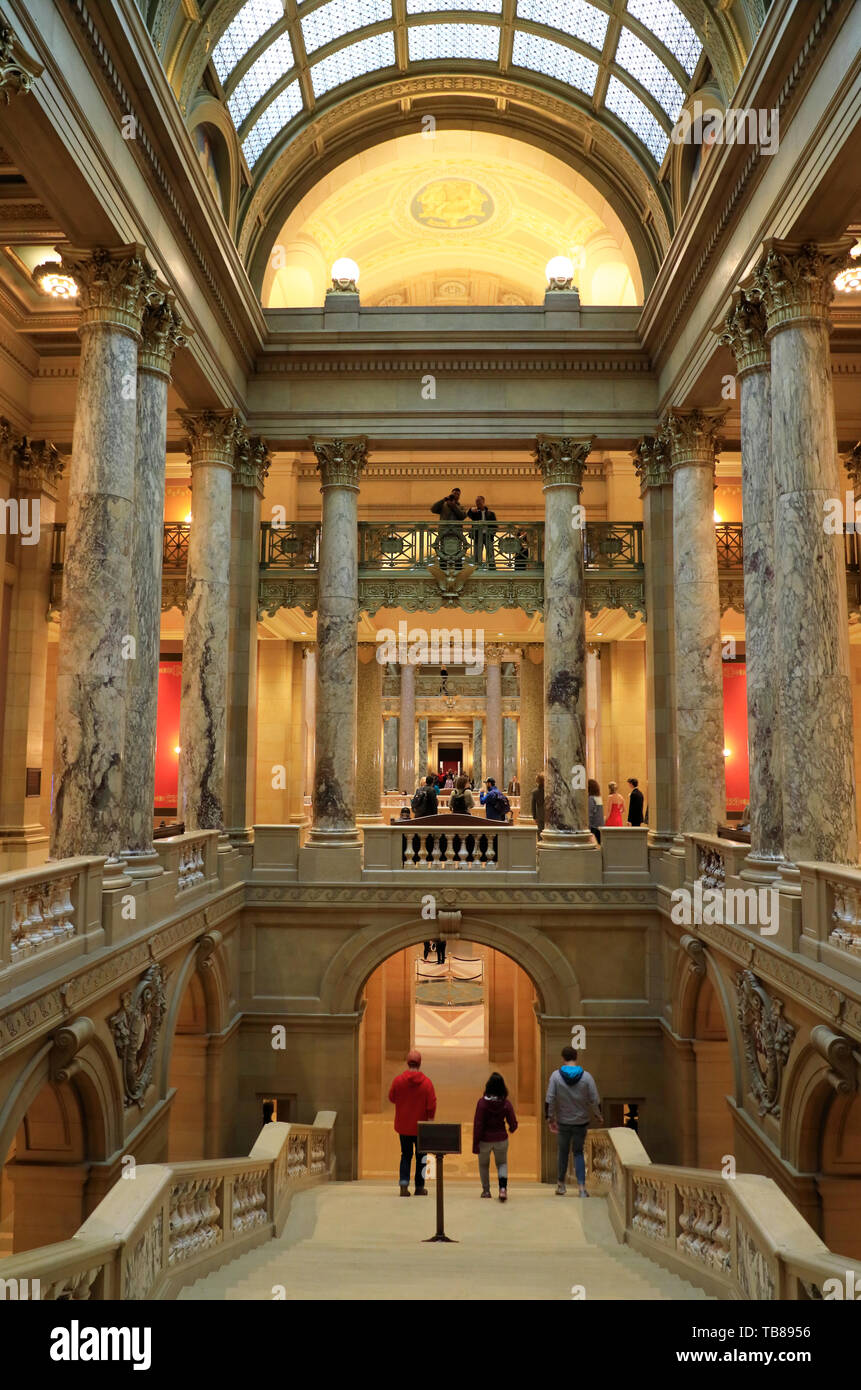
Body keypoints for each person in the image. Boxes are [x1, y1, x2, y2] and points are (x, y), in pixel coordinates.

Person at [545, 1045, 603, 1197]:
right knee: (578, 1153)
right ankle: (582, 1188)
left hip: (563, 1122)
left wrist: (550, 1118)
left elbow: (550, 1099)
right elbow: (594, 1099)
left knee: (563, 1153)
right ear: (576, 1057)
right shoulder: (587, 1077)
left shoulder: (555, 1077)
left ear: (563, 1058)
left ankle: (561, 1185)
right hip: (581, 1122)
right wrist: (598, 1115)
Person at [388, 1049, 437, 1196]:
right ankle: (419, 1187)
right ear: (420, 1063)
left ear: (407, 1063)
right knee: (421, 1157)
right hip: (421, 1127)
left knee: (405, 1155)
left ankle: (404, 1184)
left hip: (403, 1126)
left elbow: (391, 1097)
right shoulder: (427, 1083)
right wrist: (430, 1120)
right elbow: (431, 1104)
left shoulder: (398, 1081)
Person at [472, 1071, 518, 1201]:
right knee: (502, 1163)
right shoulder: (506, 1103)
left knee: (483, 1165)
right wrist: (512, 1128)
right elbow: (513, 1123)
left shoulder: (482, 1103)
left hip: (484, 1140)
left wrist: (475, 1143)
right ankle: (502, 1189)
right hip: (501, 1139)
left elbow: (478, 1124)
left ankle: (486, 1191)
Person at [430, 488, 467, 569]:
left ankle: (458, 569)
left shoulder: (461, 507)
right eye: (454, 494)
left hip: (457, 533)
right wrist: (443, 500)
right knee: (443, 550)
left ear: (459, 496)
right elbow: (433, 509)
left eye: (457, 494)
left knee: (458, 551)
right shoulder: (443, 505)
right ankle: (443, 569)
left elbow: (462, 516)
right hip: (444, 532)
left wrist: (454, 506)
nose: (455, 495)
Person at [467, 495, 497, 569]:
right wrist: (471, 510)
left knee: (490, 552)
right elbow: (468, 514)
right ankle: (477, 567)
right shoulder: (475, 513)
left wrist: (492, 534)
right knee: (477, 552)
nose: (477, 503)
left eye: (478, 501)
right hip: (478, 535)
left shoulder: (490, 513)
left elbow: (495, 526)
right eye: (476, 501)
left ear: (483, 501)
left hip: (488, 535)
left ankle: (492, 567)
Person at [588, 777, 604, 844]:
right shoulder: (598, 798)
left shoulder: (591, 799)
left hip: (594, 827)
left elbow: (590, 814)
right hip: (600, 825)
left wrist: (588, 827)